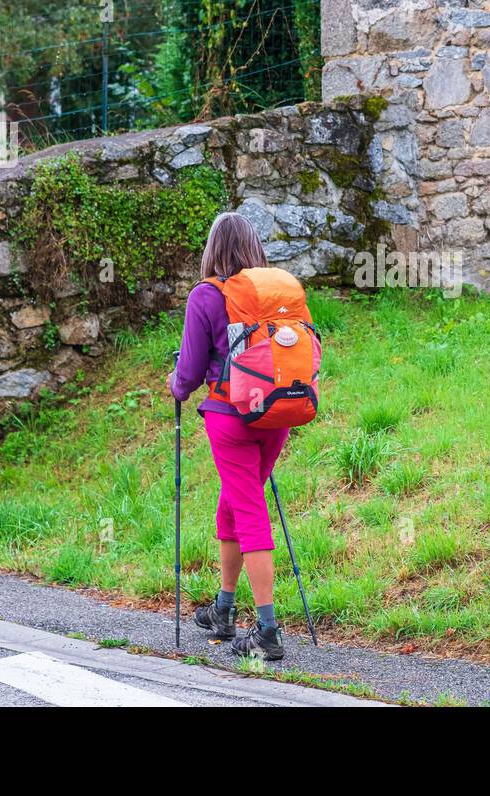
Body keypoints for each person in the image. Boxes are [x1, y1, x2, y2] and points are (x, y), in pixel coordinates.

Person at [166, 212, 289, 660]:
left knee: (249, 511)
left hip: (230, 418)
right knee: (234, 503)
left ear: (213, 248)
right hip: (276, 415)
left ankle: (268, 631)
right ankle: (223, 608)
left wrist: (175, 385)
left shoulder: (206, 295)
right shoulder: (275, 292)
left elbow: (191, 372)